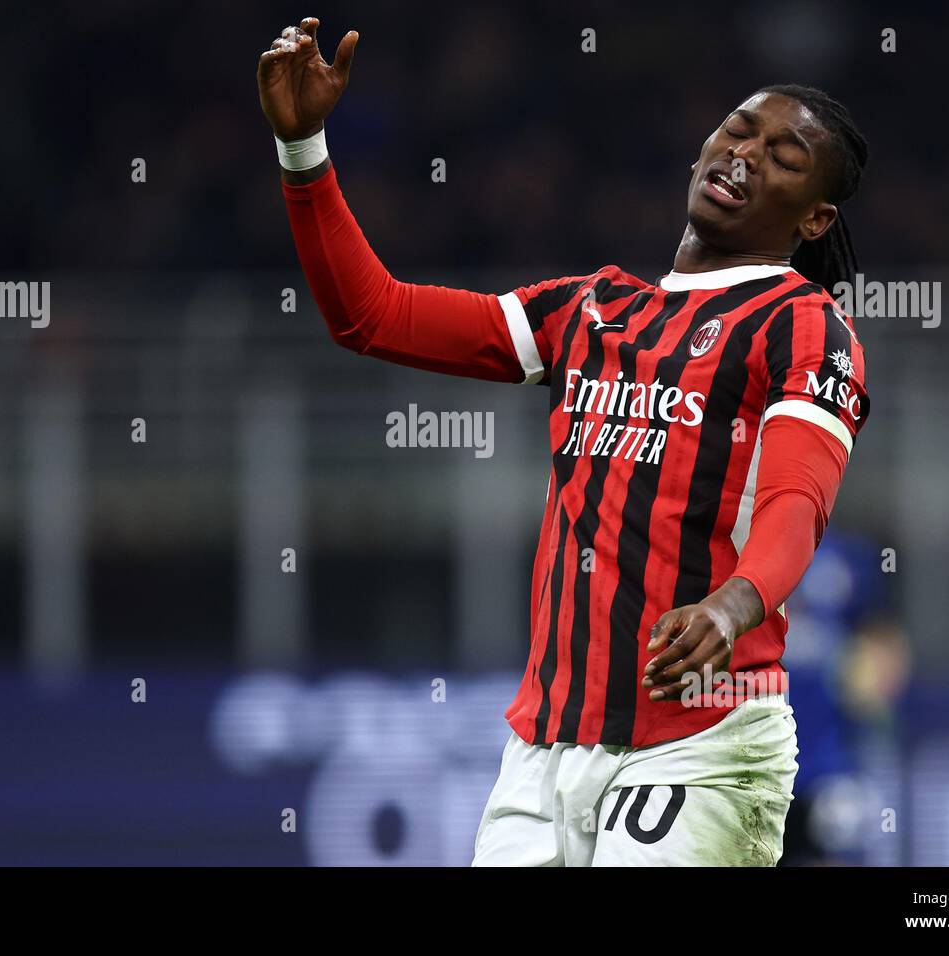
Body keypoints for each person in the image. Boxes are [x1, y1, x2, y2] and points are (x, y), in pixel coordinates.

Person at [258, 16, 871, 866]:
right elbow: (372, 315)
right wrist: (304, 151)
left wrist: (731, 607)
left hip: (701, 741)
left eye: (783, 157)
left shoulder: (804, 327)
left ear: (814, 218)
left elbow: (796, 503)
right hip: (543, 750)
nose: (745, 153)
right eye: (737, 129)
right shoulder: (588, 309)